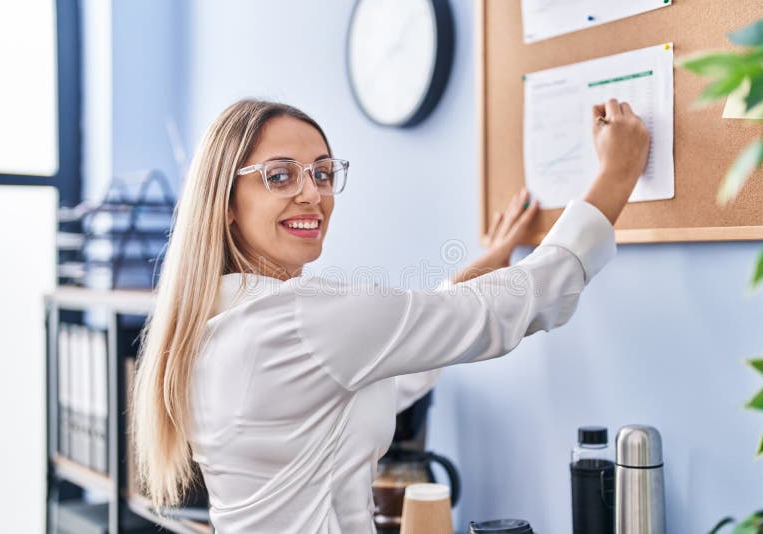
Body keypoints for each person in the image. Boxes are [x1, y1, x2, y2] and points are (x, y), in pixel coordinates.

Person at [133, 98, 649, 533]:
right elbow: (505, 309)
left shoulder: (221, 321)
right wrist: (616, 175)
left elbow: (399, 362)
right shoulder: (298, 319)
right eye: (279, 175)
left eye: (323, 171)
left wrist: (485, 265)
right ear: (225, 201)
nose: (311, 192)